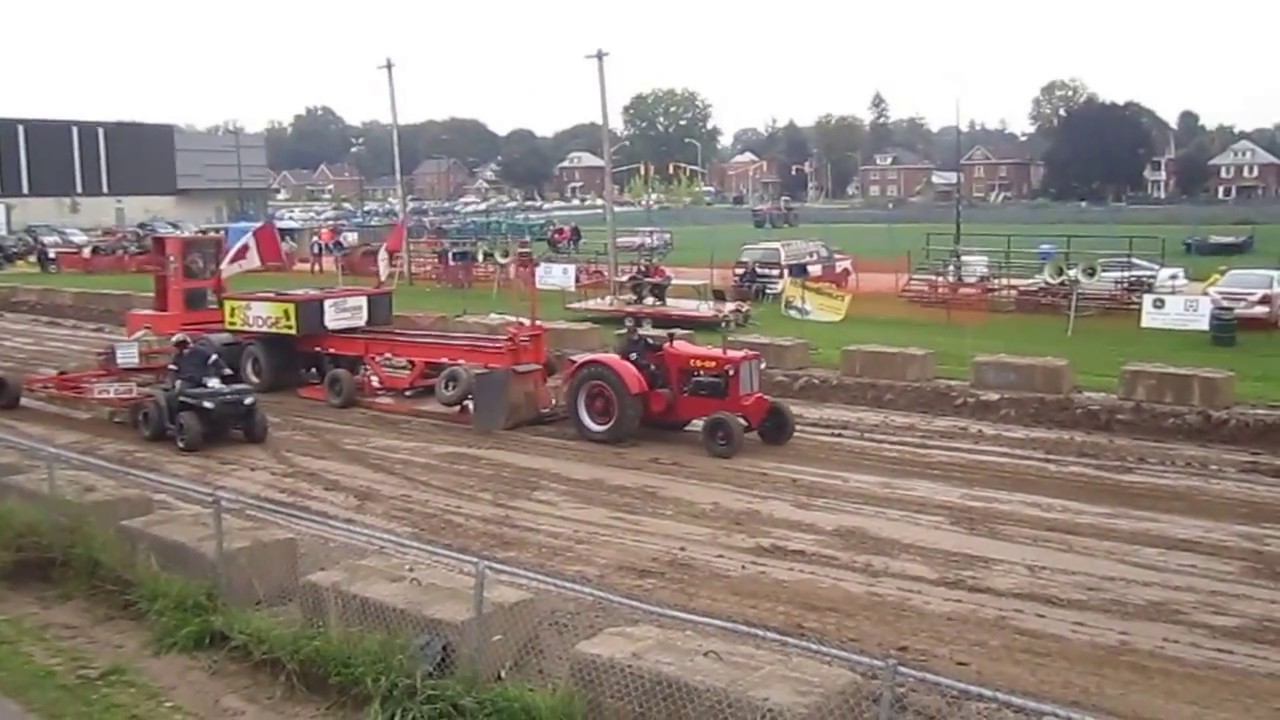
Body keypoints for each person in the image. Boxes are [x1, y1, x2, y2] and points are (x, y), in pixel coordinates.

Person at [166, 333, 231, 391]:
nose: (179, 348)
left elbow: (214, 360)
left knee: (216, 388)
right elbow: (172, 370)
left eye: (180, 345)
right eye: (177, 346)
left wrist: (224, 369)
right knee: (181, 392)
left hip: (205, 377)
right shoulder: (178, 357)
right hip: (188, 380)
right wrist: (172, 382)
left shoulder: (201, 351)